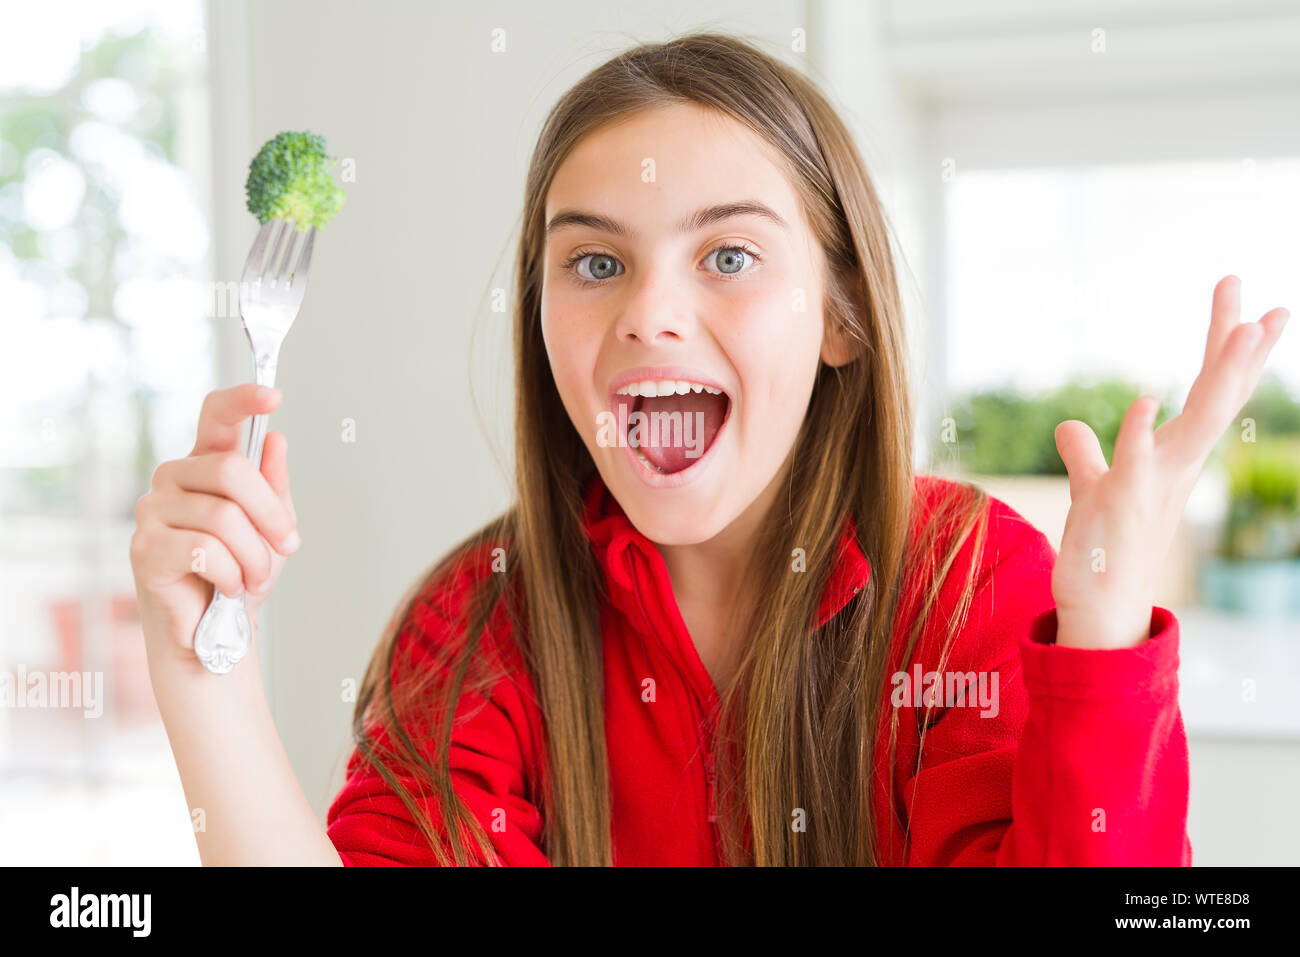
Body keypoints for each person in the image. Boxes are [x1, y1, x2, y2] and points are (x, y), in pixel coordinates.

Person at [129, 33, 1290, 866]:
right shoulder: (479, 619)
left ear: (841, 316)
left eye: (727, 256)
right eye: (594, 263)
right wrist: (201, 671)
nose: (648, 313)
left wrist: (1101, 649)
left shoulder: (970, 582)